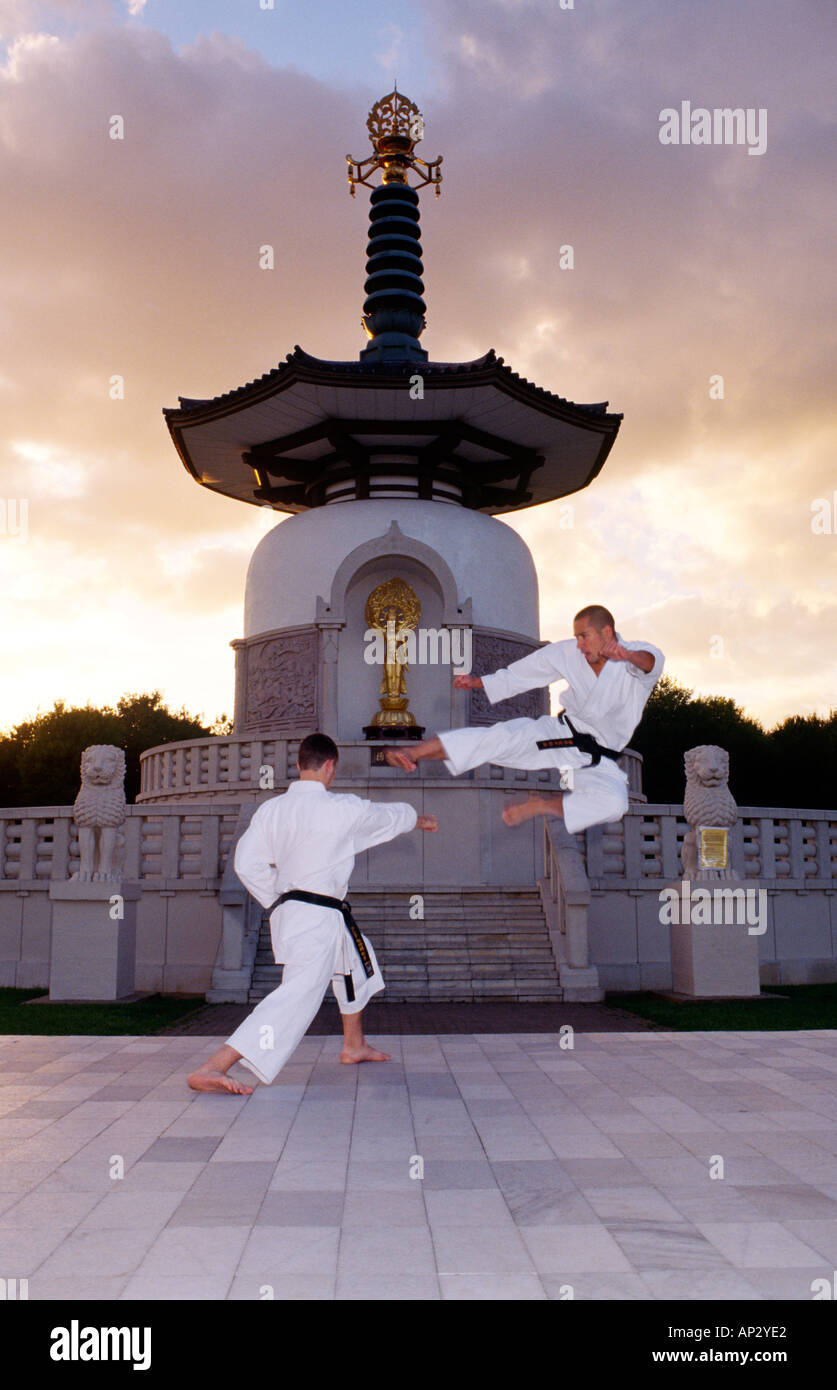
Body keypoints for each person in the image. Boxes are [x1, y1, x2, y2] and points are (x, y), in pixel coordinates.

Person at [187, 732, 437, 1094]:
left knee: (352, 962)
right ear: (330, 766)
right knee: (299, 994)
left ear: (302, 764)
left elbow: (246, 864)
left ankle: (354, 1045)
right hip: (315, 918)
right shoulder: (342, 808)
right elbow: (385, 815)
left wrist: (280, 899)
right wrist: (417, 818)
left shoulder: (271, 810)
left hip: (304, 913)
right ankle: (215, 1065)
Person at [384, 605, 663, 836]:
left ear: (607, 632)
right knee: (497, 739)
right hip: (565, 735)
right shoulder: (567, 652)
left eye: (584, 636)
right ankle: (412, 752)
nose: (578, 644)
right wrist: (477, 682)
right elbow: (526, 673)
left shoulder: (634, 656)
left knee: (615, 803)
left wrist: (625, 655)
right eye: (576, 637)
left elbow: (651, 663)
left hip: (603, 759)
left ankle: (539, 805)